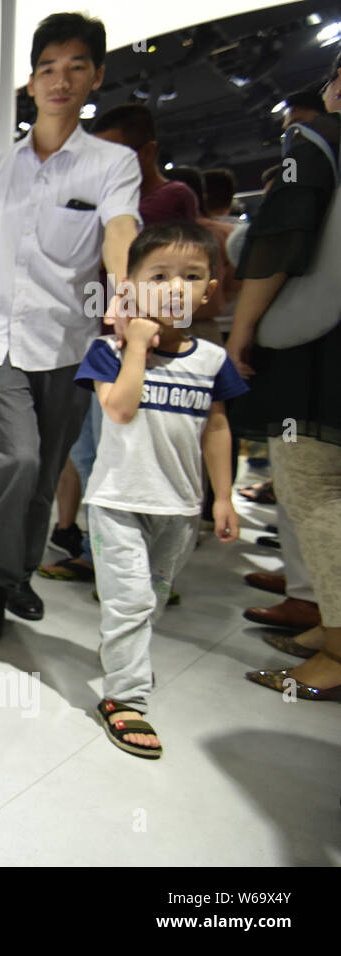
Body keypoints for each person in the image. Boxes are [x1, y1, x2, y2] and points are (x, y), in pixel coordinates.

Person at [0, 11, 142, 644]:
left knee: (45, 473)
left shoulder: (111, 163)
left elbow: (118, 229)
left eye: (77, 66)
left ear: (96, 76)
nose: (61, 79)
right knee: (15, 459)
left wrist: (124, 284)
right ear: (30, 82)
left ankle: (21, 570)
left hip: (69, 347)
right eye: (49, 68)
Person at [76, 220, 247, 757]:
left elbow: (216, 428)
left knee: (149, 601)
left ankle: (127, 662)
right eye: (160, 275)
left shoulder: (212, 361)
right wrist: (137, 346)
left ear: (209, 290)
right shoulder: (108, 351)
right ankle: (125, 699)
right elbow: (120, 409)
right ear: (130, 285)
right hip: (117, 501)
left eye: (191, 276)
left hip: (178, 506)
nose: (176, 288)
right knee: (129, 601)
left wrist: (221, 496)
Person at [41, 104, 199, 583]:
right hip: (103, 341)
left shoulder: (170, 199)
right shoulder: (101, 195)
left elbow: (182, 276)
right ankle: (102, 553)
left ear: (145, 150)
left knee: (141, 458)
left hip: (149, 347)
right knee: (90, 453)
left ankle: (145, 565)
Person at [228, 52, 341, 702]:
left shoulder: (317, 141)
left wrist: (244, 330)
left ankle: (334, 652)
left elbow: (280, 238)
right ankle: (326, 627)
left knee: (318, 492)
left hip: (324, 345)